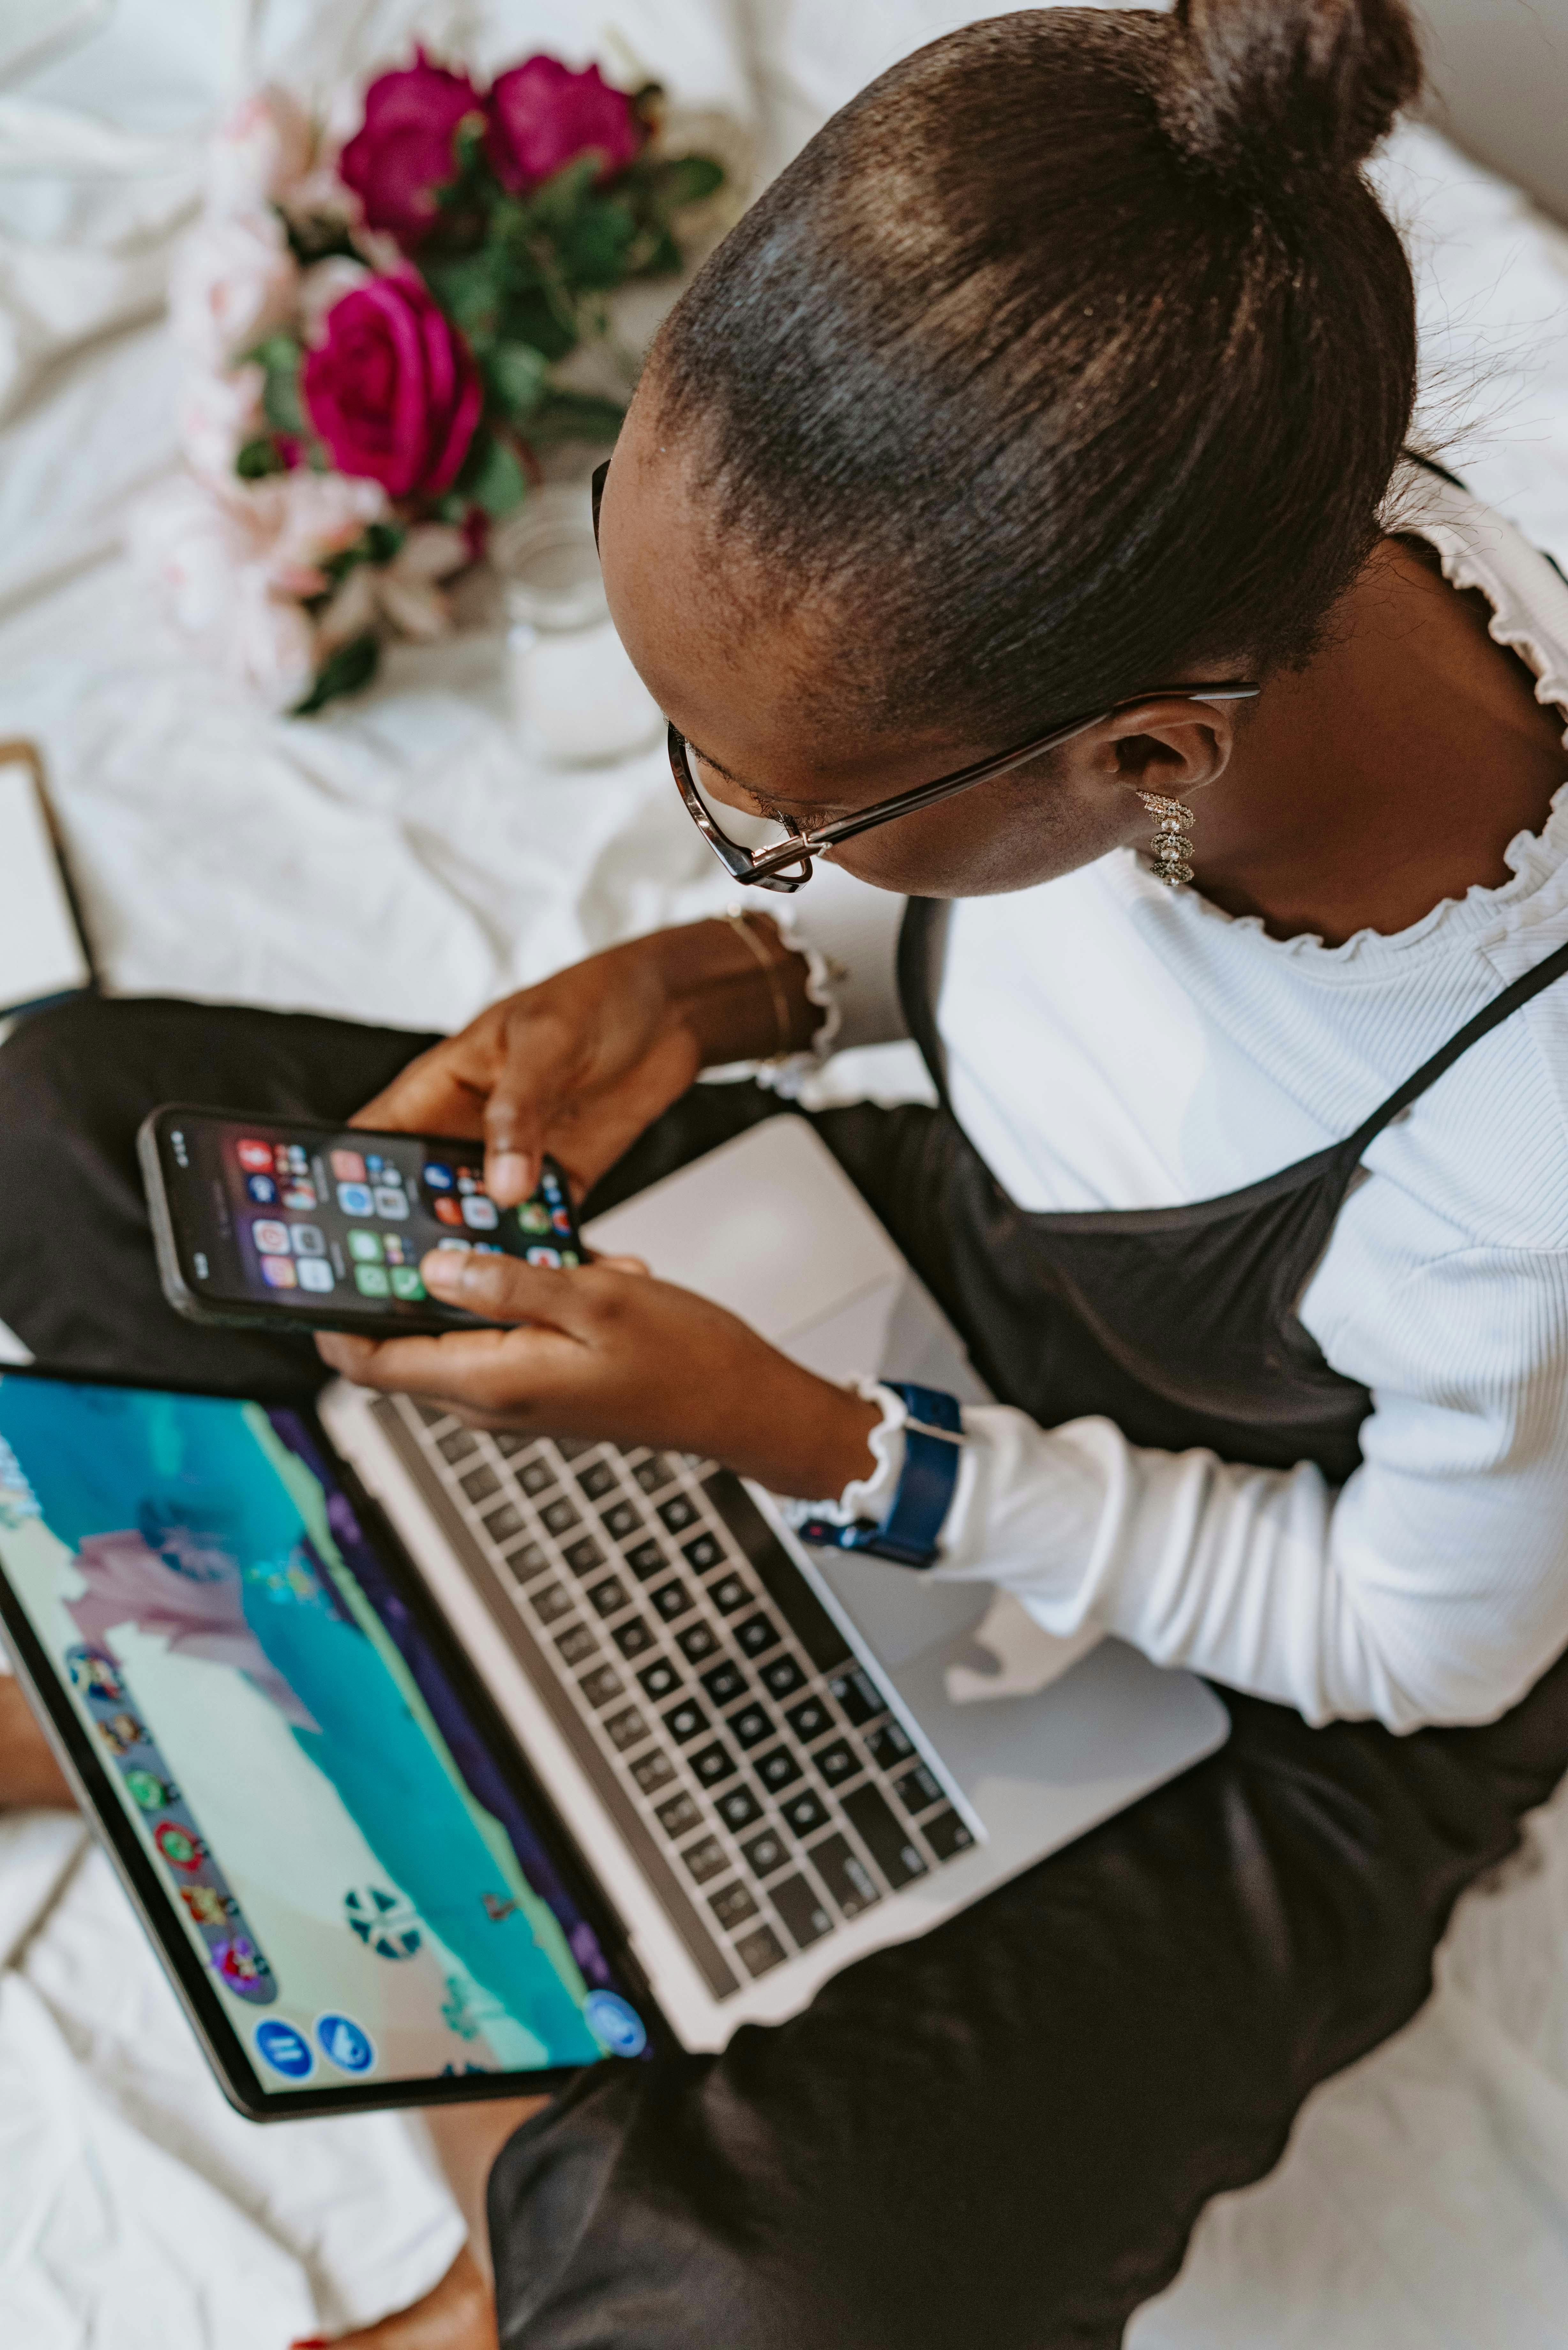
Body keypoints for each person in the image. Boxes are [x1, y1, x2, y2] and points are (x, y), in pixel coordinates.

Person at [6, 1, 1568, 2341]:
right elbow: (1039, 914)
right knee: (63, 1134)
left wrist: (821, 1446)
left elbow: (1417, 1653)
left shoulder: (1525, 1172)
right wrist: (732, 979)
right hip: (955, 1249)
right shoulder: (1233, 511)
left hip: (1280, 1641)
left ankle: (364, 1803)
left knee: (746, 2300)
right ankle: (452, 1778)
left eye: (760, 802)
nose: (708, 826)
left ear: (1144, 751)